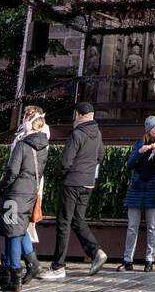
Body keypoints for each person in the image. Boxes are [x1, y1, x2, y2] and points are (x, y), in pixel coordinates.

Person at [39, 102, 106, 281]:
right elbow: (101, 155)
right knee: (78, 220)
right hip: (88, 183)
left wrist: (57, 175)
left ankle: (58, 266)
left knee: (63, 223)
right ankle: (96, 251)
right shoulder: (97, 133)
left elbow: (66, 161)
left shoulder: (77, 134)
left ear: (78, 114)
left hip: (71, 183)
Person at [0, 107, 49, 292]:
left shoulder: (23, 144)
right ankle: (20, 270)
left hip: (15, 194)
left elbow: (12, 171)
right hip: (30, 193)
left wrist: (1, 186)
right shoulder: (42, 144)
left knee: (12, 235)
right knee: (19, 230)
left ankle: (14, 274)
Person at [119, 114, 155, 271]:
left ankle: (150, 260)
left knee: (152, 226)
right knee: (132, 226)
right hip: (136, 190)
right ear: (148, 129)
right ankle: (128, 260)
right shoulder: (139, 143)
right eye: (154, 127)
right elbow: (129, 164)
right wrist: (140, 151)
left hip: (153, 190)